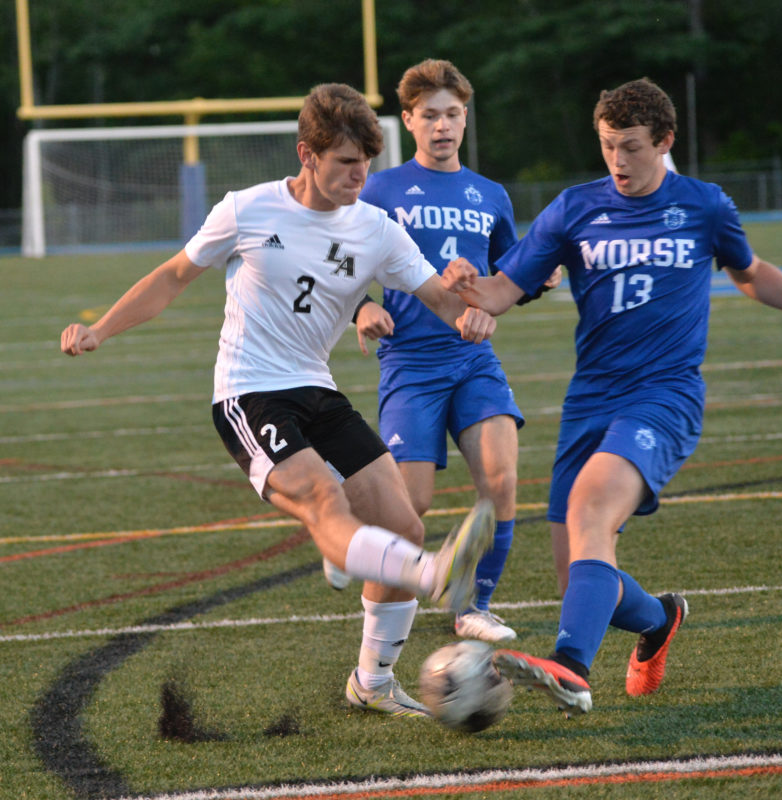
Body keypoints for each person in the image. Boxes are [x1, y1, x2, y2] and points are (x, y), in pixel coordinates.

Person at [60, 82, 500, 719]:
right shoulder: (247, 210)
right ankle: (432, 575)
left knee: (403, 523)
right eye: (346, 162)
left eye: (366, 163)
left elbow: (441, 300)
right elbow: (172, 277)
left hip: (317, 390)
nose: (358, 175)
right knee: (324, 500)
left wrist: (472, 312)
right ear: (307, 154)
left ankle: (372, 683)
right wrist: (100, 327)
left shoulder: (376, 228)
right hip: (249, 393)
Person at [440, 77, 782, 716]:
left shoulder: (704, 205)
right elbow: (502, 291)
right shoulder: (572, 209)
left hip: (664, 396)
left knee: (591, 511)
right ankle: (660, 619)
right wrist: (463, 288)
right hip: (589, 401)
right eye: (609, 145)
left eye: (632, 147)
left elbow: (747, 272)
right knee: (581, 574)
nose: (618, 161)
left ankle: (571, 667)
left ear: (664, 142)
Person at [338, 58, 558, 645]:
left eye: (453, 114)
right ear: (408, 120)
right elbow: (339, 261)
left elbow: (511, 273)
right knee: (409, 508)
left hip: (474, 360)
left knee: (502, 481)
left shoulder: (490, 195)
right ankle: (348, 542)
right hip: (410, 363)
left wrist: (539, 279)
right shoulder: (379, 189)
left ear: (465, 118)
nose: (443, 126)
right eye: (430, 115)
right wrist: (362, 308)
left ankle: (473, 606)